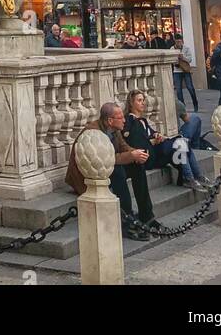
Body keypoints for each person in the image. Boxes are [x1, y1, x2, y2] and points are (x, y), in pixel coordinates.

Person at [65, 101, 158, 238]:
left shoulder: (114, 130)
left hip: (105, 170)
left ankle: (147, 215)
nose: (125, 120)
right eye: (121, 118)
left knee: (137, 166)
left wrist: (136, 154)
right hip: (86, 177)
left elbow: (123, 147)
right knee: (118, 171)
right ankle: (127, 222)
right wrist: (131, 155)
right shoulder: (94, 133)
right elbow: (105, 160)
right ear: (110, 120)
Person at [125, 89, 209, 195]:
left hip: (157, 152)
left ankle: (194, 176)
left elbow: (150, 133)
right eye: (139, 100)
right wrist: (152, 141)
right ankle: (190, 178)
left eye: (143, 100)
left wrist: (157, 135)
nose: (143, 103)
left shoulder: (143, 120)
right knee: (180, 143)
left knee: (183, 144)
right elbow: (136, 142)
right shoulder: (130, 121)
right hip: (148, 157)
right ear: (131, 103)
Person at [173, 36, 198, 110]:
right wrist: (175, 61)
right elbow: (170, 60)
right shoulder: (172, 49)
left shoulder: (186, 49)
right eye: (177, 42)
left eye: (180, 42)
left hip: (186, 70)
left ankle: (195, 103)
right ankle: (182, 107)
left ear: (182, 41)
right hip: (177, 71)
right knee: (178, 90)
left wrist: (182, 57)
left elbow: (190, 59)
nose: (178, 43)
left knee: (190, 87)